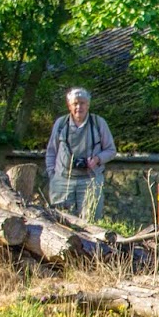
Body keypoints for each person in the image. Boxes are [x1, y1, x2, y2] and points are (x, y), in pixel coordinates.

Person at [45, 87, 117, 221]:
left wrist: (97, 159)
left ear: (88, 105)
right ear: (69, 106)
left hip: (90, 180)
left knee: (90, 222)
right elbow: (51, 151)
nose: (79, 107)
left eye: (82, 103)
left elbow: (111, 150)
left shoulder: (98, 123)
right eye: (75, 103)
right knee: (61, 222)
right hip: (63, 181)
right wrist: (52, 175)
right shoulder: (61, 124)